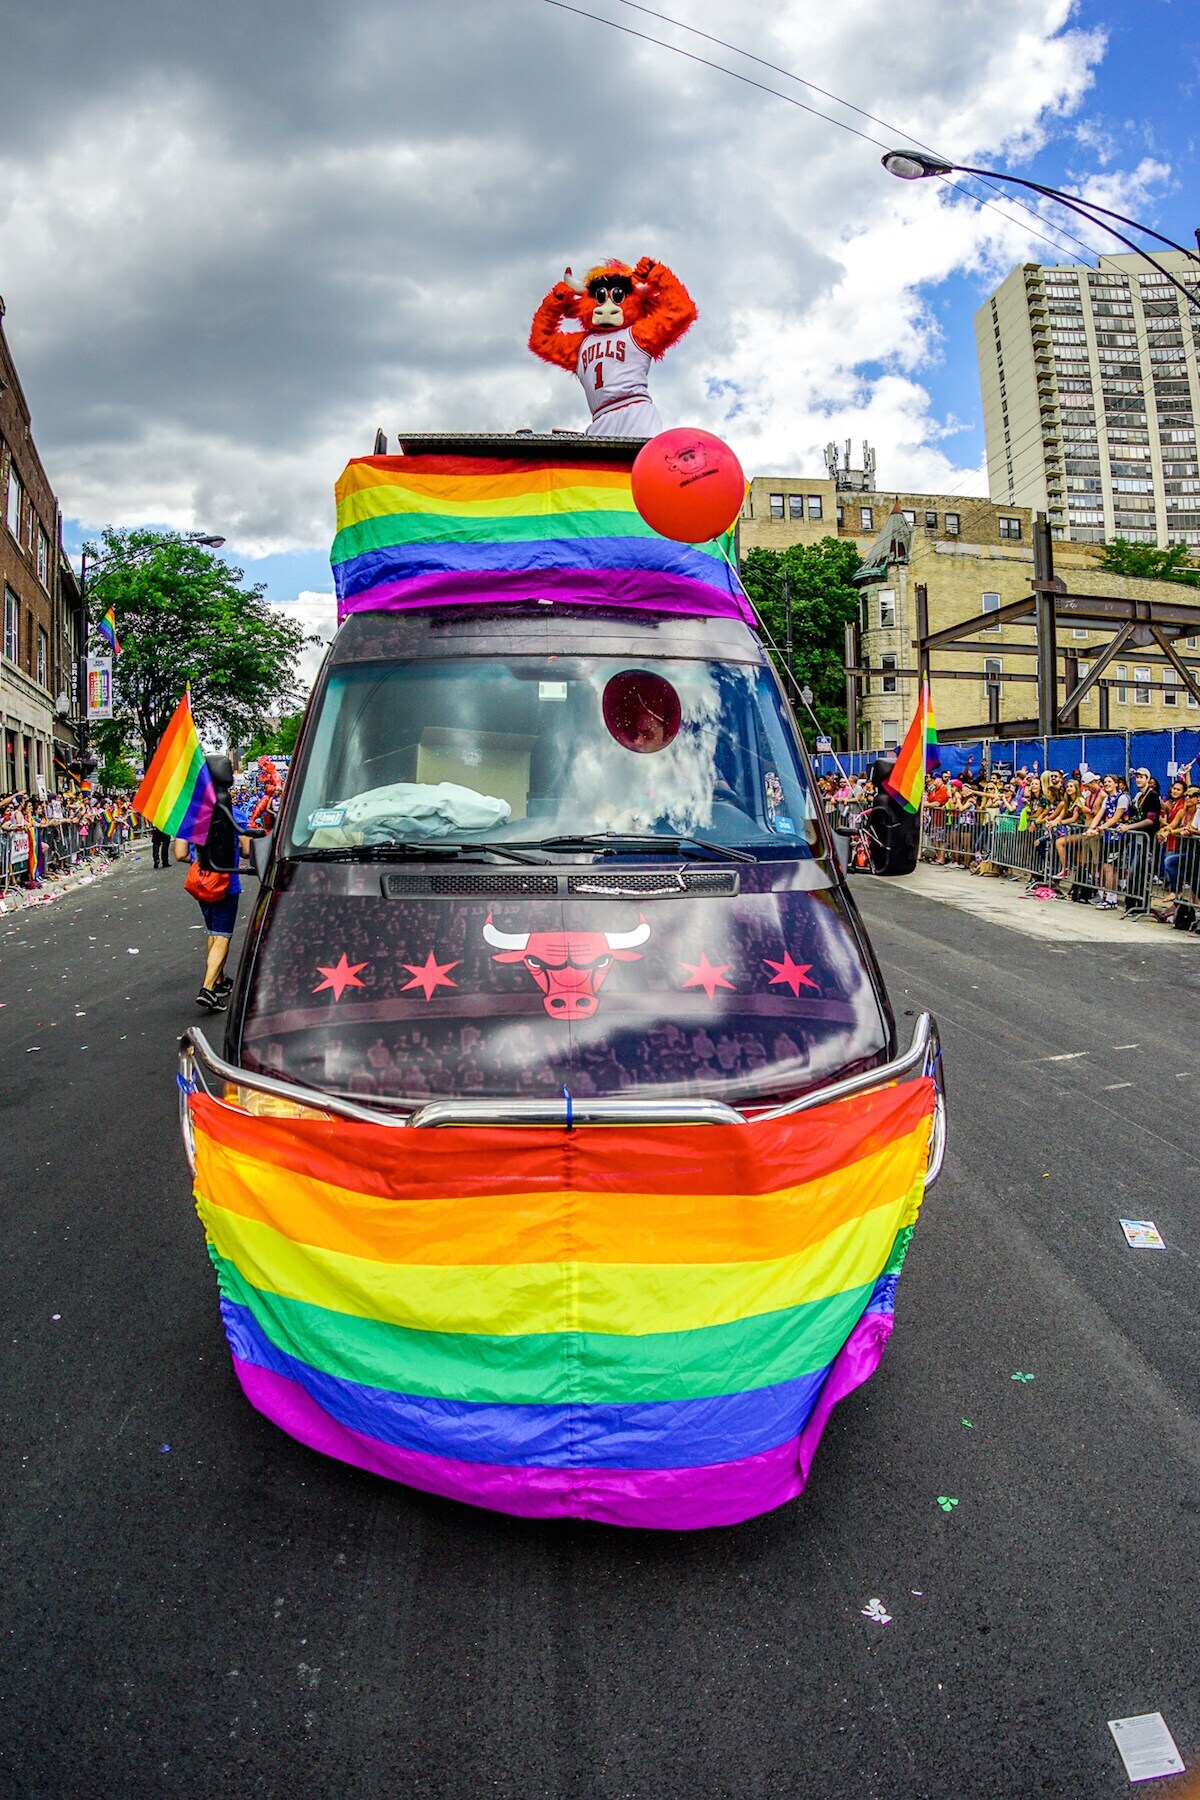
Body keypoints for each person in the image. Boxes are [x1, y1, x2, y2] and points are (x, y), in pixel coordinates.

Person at [173, 754, 261, 1013]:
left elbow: (180, 853)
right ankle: (208, 988)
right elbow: (246, 851)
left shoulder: (194, 813)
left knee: (212, 931)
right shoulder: (236, 812)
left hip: (201, 881)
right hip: (226, 882)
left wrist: (200, 860)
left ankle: (220, 979)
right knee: (223, 936)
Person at [1115, 768, 1161, 917]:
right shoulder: (1139, 796)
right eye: (1137, 778)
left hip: (1148, 839)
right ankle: (1132, 902)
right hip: (1137, 839)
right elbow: (1136, 816)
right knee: (1134, 871)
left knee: (1140, 871)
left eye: (1142, 777)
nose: (1139, 780)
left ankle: (1140, 904)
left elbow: (1150, 820)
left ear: (1148, 779)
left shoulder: (1152, 796)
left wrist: (1129, 827)